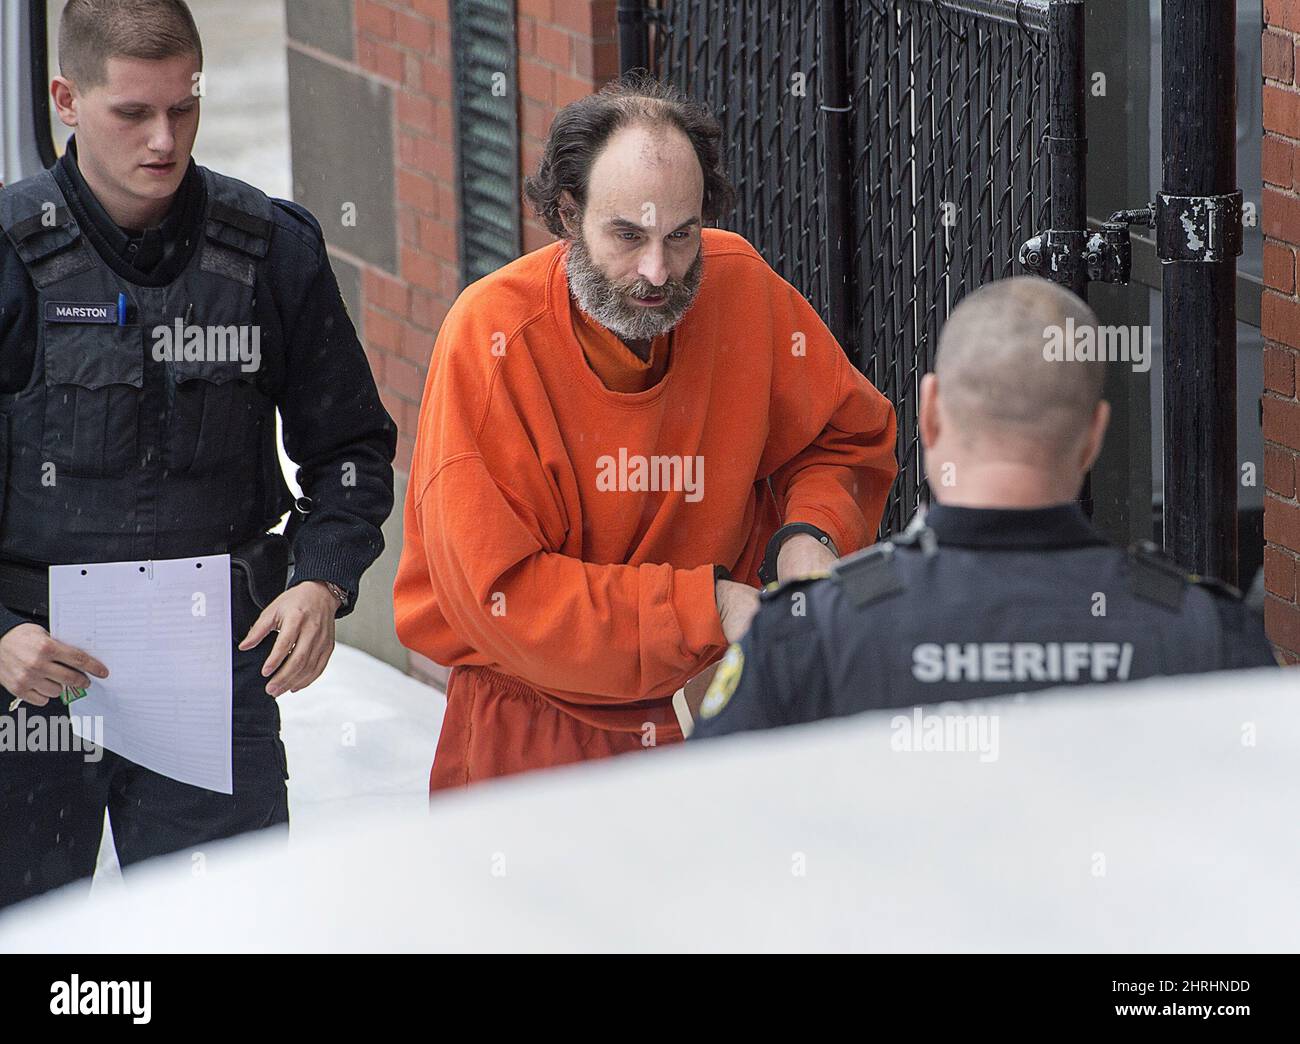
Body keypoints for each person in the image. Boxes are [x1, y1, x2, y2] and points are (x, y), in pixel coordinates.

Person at [393, 76, 898, 790]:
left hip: (718, 705)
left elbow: (840, 439)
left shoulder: (740, 286)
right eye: (628, 236)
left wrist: (812, 534)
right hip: (537, 734)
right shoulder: (490, 339)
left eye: (681, 235)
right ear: (568, 215)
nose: (658, 272)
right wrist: (707, 607)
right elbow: (503, 596)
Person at [0, 0, 396, 907]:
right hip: (29, 677)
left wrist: (322, 580)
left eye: (184, 107)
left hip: (209, 670)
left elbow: (351, 449)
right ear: (65, 99)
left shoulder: (268, 249)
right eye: (133, 112)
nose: (164, 138)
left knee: (225, 927)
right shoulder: (9, 258)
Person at [692, 276, 1279, 738]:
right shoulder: (1207, 637)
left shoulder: (809, 636)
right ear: (1094, 435)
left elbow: (712, 829)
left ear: (930, 413)